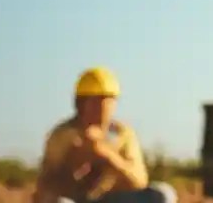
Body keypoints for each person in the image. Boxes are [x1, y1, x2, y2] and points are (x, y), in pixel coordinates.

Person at [33, 68, 176, 203]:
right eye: (93, 102)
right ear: (79, 104)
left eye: (107, 102)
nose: (101, 109)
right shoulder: (62, 135)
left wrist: (107, 155)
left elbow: (139, 182)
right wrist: (73, 166)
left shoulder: (122, 133)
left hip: (112, 198)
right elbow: (43, 190)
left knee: (163, 193)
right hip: (75, 199)